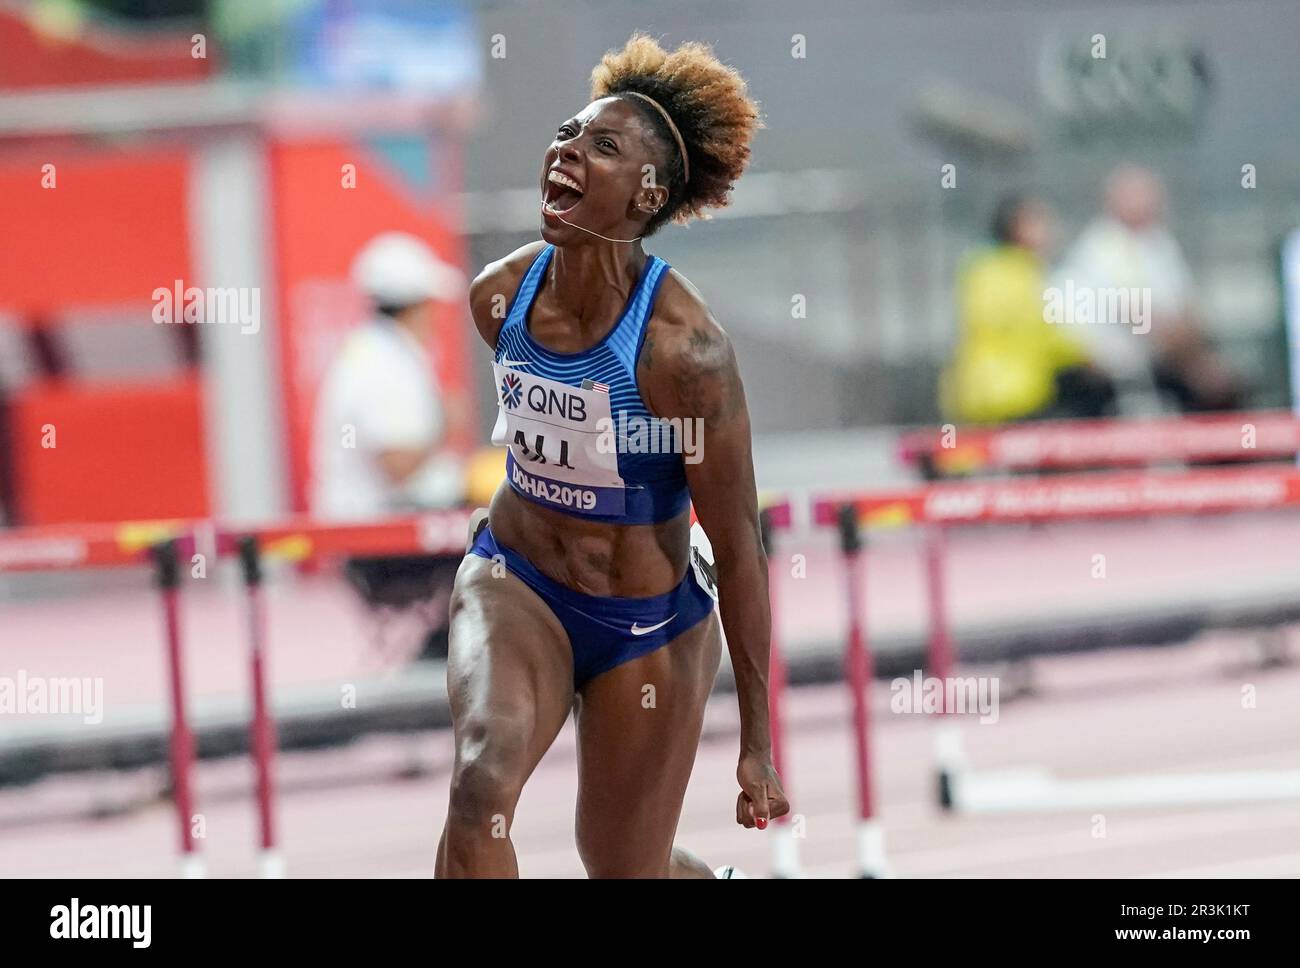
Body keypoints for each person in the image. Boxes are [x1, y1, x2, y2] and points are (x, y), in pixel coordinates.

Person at [435, 34, 788, 879]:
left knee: (626, 869)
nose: (566, 151)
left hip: (648, 623)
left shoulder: (685, 354)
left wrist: (758, 741)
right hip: (517, 585)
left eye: (602, 146)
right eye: (565, 134)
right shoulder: (498, 299)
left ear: (648, 192)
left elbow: (739, 547)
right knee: (480, 789)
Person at [312, 232, 466, 660]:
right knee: (509, 542)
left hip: (377, 532)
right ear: (415, 305)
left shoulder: (378, 355)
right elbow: (397, 466)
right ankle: (443, 660)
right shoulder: (382, 366)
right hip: (381, 545)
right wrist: (445, 423)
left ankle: (447, 655)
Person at [1054, 164, 1243, 414]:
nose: (1149, 203)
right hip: (1118, 374)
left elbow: (1186, 305)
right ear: (1113, 200)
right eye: (1138, 196)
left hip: (1165, 361)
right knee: (1206, 389)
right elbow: (1135, 315)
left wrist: (1195, 350)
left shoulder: (1160, 242)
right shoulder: (1103, 247)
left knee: (1230, 388)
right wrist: (1192, 361)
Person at [940, 193, 1115, 426]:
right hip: (1016, 391)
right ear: (1018, 228)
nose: (1050, 230)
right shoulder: (1022, 272)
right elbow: (1044, 330)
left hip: (974, 390)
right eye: (1040, 222)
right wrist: (1086, 357)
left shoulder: (981, 269)